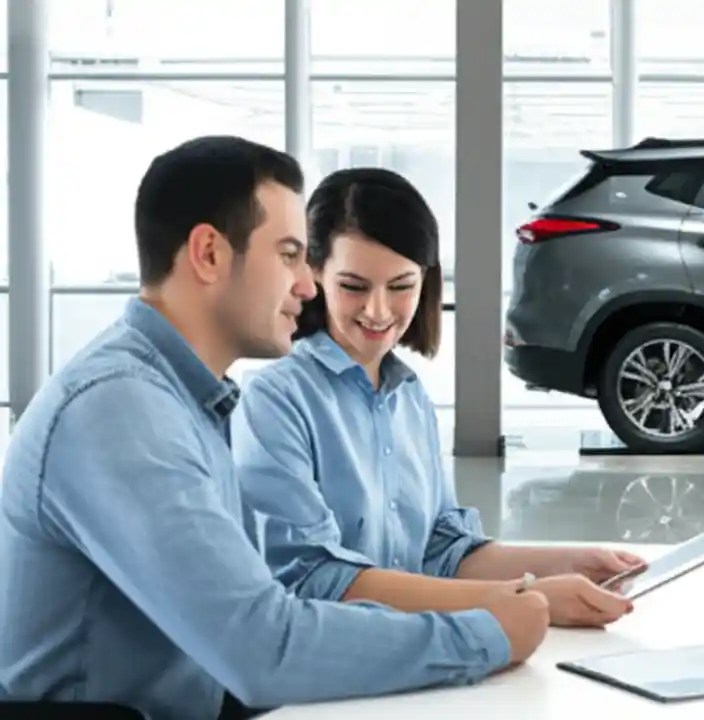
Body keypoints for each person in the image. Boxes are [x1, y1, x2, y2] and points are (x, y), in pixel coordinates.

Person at [0, 136, 551, 720]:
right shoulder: (120, 412)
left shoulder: (181, 401)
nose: (307, 287)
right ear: (209, 254)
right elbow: (263, 645)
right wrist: (483, 633)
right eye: (289, 255)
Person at [230, 167, 641, 628]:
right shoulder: (275, 401)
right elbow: (311, 579)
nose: (378, 311)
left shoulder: (409, 399)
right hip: (326, 670)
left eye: (402, 286)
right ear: (315, 273)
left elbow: (443, 552)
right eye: (354, 286)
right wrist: (525, 597)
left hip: (412, 655)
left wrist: (572, 563)